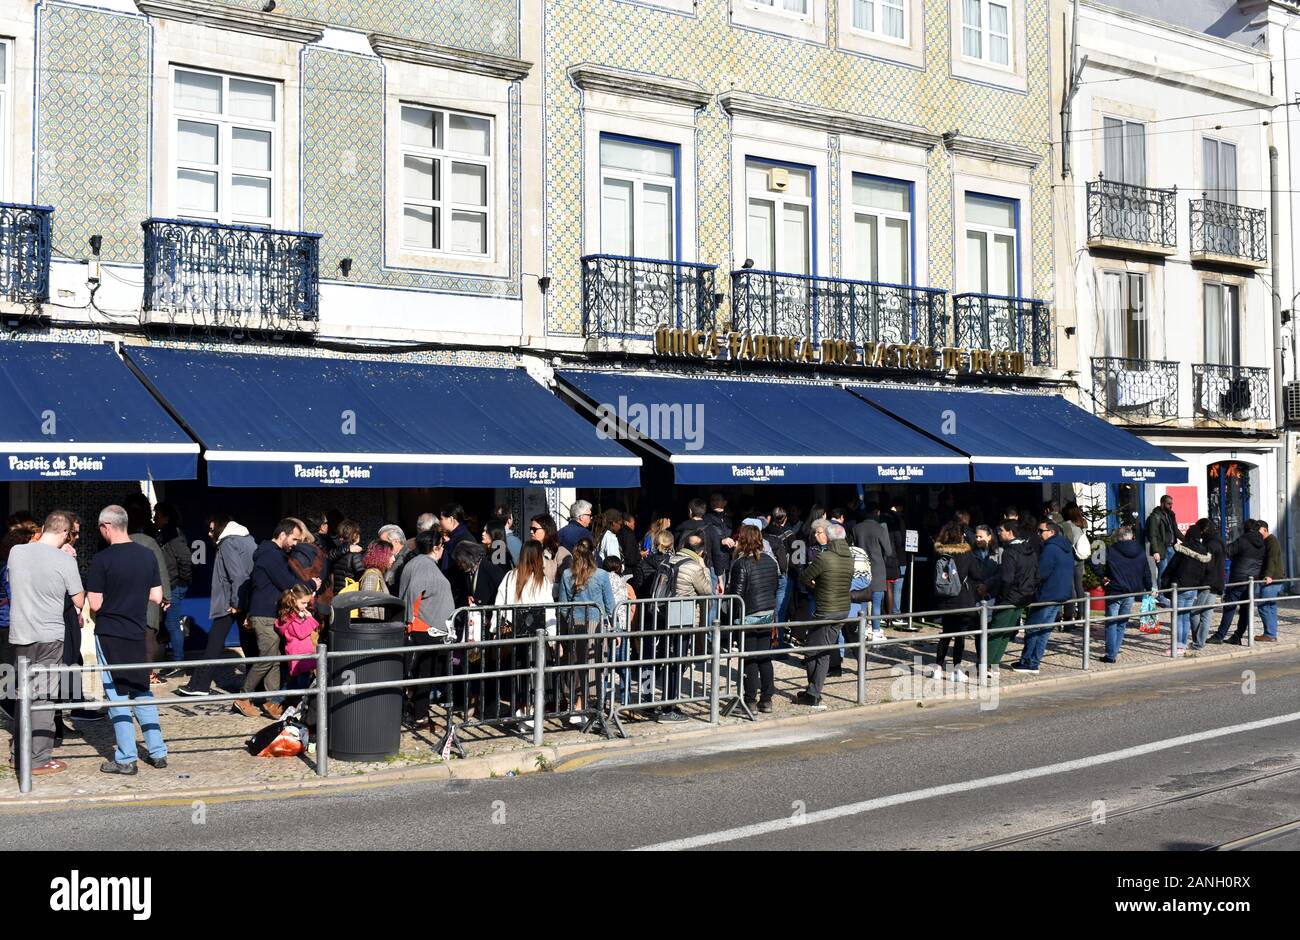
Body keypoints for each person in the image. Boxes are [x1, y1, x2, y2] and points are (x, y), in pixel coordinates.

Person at [86, 505, 168, 775]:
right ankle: (158, 752)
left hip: (110, 632)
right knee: (142, 689)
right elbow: (157, 596)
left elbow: (95, 604)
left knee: (116, 693)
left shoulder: (101, 560)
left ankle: (126, 758)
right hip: (137, 630)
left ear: (106, 526)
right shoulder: (147, 556)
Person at [5, 511, 84, 775]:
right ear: (64, 533)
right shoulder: (65, 560)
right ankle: (39, 759)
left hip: (20, 634)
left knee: (23, 694)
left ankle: (19, 754)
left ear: (43, 527)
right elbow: (79, 600)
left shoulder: (17, 552)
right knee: (44, 698)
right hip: (50, 636)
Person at [235, 519, 318, 719]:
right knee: (268, 658)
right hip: (264, 614)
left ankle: (271, 701)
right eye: (294, 539)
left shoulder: (271, 554)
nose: (296, 543)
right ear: (283, 534)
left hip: (267, 613)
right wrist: (311, 585)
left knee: (274, 658)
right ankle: (243, 697)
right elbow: (287, 582)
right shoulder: (271, 555)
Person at [178, 513, 256, 697]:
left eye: (212, 529)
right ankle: (255, 687)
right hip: (245, 599)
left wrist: (236, 603)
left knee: (214, 642)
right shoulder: (248, 539)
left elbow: (236, 575)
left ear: (221, 527)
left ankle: (200, 685)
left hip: (231, 602)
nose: (209, 533)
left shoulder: (228, 543)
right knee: (249, 644)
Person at [494, 541, 556, 726]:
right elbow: (549, 610)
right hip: (537, 635)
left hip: (515, 634)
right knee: (535, 673)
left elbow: (500, 604)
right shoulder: (541, 581)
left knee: (518, 672)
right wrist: (552, 638)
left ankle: (520, 709)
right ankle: (530, 713)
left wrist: (497, 630)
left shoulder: (510, 576)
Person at [657, 530, 714, 721]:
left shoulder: (669, 560)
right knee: (678, 661)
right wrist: (703, 566)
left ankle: (667, 702)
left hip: (664, 618)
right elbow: (707, 590)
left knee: (670, 660)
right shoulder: (694, 567)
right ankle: (669, 707)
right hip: (683, 620)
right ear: (701, 551)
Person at [557, 538, 616, 725]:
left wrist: (568, 624)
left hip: (575, 624)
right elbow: (610, 606)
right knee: (594, 667)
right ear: (594, 554)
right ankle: (583, 708)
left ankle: (577, 705)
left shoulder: (567, 574)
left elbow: (563, 607)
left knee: (577, 666)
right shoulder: (602, 575)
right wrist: (617, 629)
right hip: (596, 624)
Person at [398, 530, 453, 727]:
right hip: (425, 629)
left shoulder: (416, 563)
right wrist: (411, 621)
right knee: (425, 673)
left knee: (425, 673)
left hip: (425, 627)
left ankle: (418, 711)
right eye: (442, 546)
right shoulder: (424, 565)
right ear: (436, 547)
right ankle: (420, 715)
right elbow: (415, 593)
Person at [797, 521, 852, 707]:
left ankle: (813, 692)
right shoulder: (849, 556)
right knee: (825, 649)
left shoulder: (825, 557)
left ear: (829, 538)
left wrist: (815, 586)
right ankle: (813, 690)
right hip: (843, 609)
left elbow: (805, 577)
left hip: (825, 609)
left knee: (811, 650)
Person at [726, 524, 780, 713]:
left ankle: (749, 701)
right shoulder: (771, 561)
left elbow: (737, 595)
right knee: (764, 657)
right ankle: (766, 699)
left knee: (749, 659)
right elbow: (775, 586)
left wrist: (731, 616)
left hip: (748, 614)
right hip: (767, 613)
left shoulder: (741, 563)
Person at [1014, 520, 1074, 674]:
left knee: (1033, 628)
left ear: (1051, 532)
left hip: (1047, 595)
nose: (1038, 534)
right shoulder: (1065, 547)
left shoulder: (1051, 549)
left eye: (1041, 531)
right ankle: (1033, 661)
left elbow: (1041, 573)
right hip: (1059, 595)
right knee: (1044, 630)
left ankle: (1028, 662)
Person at [125, 501, 171, 673]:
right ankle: (147, 674)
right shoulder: (149, 543)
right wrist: (167, 596)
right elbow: (161, 570)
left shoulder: (117, 542)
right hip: (148, 598)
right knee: (148, 638)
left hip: (124, 601)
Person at [931, 522, 977, 682]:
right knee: (959, 636)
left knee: (946, 633)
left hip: (944, 599)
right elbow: (977, 573)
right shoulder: (966, 553)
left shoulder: (938, 553)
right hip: (962, 598)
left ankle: (937, 667)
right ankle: (956, 669)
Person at [988, 519, 1036, 671]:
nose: (999, 533)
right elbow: (1036, 574)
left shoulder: (1010, 552)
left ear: (1010, 532)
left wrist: (1002, 597)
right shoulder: (1029, 548)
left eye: (1001, 530)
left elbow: (1007, 579)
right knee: (1005, 632)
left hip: (1010, 597)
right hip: (1024, 595)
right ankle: (993, 663)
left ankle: (986, 665)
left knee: (996, 632)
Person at [1211, 519, 1267, 645]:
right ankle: (1238, 635)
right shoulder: (1262, 544)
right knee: (1245, 608)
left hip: (1238, 578)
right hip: (1252, 579)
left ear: (1246, 529)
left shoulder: (1243, 540)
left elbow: (1228, 551)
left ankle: (1220, 636)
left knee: (1230, 607)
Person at [1101, 525, 1152, 663]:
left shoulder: (1110, 550)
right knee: (1122, 624)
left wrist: (1103, 576)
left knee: (1111, 623)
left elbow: (1093, 562)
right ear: (1131, 537)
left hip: (1114, 590)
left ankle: (1111, 655)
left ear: (1119, 537)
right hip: (1130, 592)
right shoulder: (1140, 551)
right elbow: (1147, 572)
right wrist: (1150, 588)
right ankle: (1114, 652)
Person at [152, 502, 193, 675]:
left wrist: (180, 580)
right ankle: (176, 660)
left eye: (158, 515)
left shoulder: (173, 535)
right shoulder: (164, 534)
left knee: (172, 623)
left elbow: (185, 559)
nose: (155, 518)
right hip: (170, 584)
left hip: (174, 586)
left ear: (166, 518)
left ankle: (178, 663)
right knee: (169, 623)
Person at [1160, 521, 1211, 655]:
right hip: (1193, 588)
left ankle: (1177, 646)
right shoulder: (1203, 551)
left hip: (1180, 587)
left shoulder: (1182, 549)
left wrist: (1165, 582)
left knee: (1178, 617)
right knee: (1185, 617)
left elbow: (1171, 568)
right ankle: (1182, 645)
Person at [850, 502, 894, 637]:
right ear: (877, 513)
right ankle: (875, 631)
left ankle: (861, 630)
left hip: (860, 568)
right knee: (876, 602)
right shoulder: (880, 529)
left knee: (861, 601)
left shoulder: (856, 528)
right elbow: (888, 551)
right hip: (877, 569)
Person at [274, 584, 319, 696]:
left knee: (295, 681)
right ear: (293, 600)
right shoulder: (290, 616)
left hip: (302, 652)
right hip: (299, 653)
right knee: (300, 683)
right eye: (303, 603)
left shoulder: (296, 614)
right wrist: (310, 619)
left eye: (307, 603)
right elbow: (301, 633)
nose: (306, 605)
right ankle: (279, 702)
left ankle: (284, 701)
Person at [675, 498, 727, 596]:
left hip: (684, 570)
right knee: (710, 604)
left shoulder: (681, 528)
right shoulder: (711, 529)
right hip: (707, 568)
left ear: (690, 511)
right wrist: (720, 579)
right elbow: (717, 554)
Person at [1192, 519, 1226, 651]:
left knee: (1194, 612)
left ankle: (1198, 642)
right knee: (1207, 614)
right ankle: (1200, 642)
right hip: (1218, 581)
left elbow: (1206, 565)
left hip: (1208, 582)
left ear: (1204, 529)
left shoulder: (1209, 544)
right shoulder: (1220, 541)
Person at [1060, 504, 1090, 628]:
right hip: (1080, 556)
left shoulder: (1067, 525)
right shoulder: (1083, 523)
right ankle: (1082, 614)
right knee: (1079, 586)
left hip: (1070, 557)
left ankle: (1070, 615)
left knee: (1070, 587)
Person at [1256, 520, 1284, 642]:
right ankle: (1271, 633)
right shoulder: (1266, 541)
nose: (1258, 535)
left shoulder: (1271, 541)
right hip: (1274, 578)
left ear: (1265, 530)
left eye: (1259, 532)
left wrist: (1268, 575)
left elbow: (1271, 559)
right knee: (1270, 606)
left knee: (1263, 606)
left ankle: (1269, 634)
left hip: (1272, 579)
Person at [356, 542, 394, 621]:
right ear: (381, 556)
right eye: (390, 555)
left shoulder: (377, 574)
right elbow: (366, 606)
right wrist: (373, 629)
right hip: (374, 628)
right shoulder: (371, 576)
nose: (394, 559)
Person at [1145, 494, 1180, 581]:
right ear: (1162, 503)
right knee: (1163, 573)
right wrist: (1155, 551)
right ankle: (1161, 594)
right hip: (1161, 549)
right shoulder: (1155, 516)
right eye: (1168, 503)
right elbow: (1152, 535)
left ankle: (1168, 593)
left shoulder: (1171, 515)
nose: (1170, 506)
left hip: (1172, 548)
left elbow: (1176, 531)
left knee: (1171, 573)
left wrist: (1188, 540)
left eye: (1171, 503)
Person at [326, 519, 365, 595]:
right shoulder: (355, 554)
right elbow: (362, 576)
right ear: (355, 535)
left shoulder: (337, 552)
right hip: (350, 595)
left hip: (338, 594)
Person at [378, 524, 410, 592]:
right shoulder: (392, 556)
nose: (381, 546)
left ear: (396, 541)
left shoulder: (405, 558)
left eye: (384, 543)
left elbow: (389, 583)